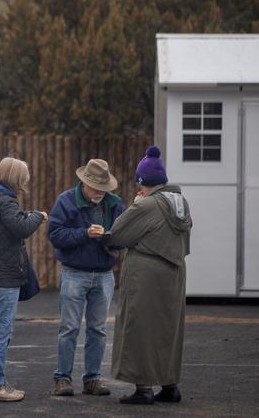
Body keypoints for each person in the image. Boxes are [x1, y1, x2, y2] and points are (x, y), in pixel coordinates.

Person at [105, 146, 192, 405]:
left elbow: (117, 234)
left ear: (144, 183)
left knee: (139, 328)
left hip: (145, 275)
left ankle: (143, 389)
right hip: (174, 274)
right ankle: (170, 386)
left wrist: (136, 205)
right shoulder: (180, 203)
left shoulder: (148, 205)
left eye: (139, 185)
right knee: (168, 330)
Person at [47, 159, 125, 397]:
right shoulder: (66, 201)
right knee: (69, 328)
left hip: (104, 275)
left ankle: (93, 378)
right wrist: (85, 233)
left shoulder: (115, 204)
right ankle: (63, 378)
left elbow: (122, 237)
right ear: (84, 183)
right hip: (74, 273)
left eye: (104, 189)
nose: (100, 194)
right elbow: (55, 235)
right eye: (96, 189)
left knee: (98, 329)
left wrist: (106, 237)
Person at [0, 156, 48, 402]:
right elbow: (21, 229)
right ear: (15, 179)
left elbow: (13, 222)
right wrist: (38, 216)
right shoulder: (5, 203)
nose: (26, 181)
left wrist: (27, 214)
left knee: (0, 329)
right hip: (3, 273)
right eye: (24, 178)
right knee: (1, 331)